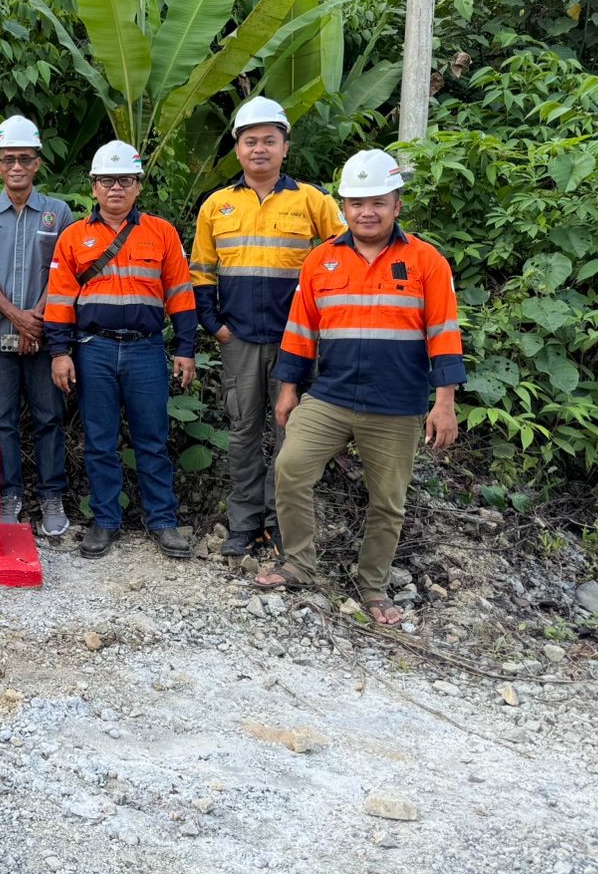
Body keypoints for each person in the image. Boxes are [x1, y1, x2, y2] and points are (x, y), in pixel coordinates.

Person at [255, 149, 465, 626]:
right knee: (290, 468)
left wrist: (445, 401)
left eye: (378, 202)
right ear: (344, 207)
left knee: (388, 500)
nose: (366, 212)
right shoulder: (321, 260)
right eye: (356, 203)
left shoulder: (425, 261)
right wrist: (288, 389)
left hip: (396, 404)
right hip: (329, 396)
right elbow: (301, 331)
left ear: (397, 205)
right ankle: (299, 564)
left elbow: (444, 332)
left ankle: (372, 586)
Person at [190, 97, 343, 560]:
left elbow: (342, 257)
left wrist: (321, 324)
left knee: (291, 435)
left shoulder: (311, 200)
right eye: (250, 141)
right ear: (237, 149)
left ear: (284, 147)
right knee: (242, 433)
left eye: (269, 141)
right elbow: (201, 272)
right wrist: (214, 326)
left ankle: (282, 526)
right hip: (238, 340)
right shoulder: (216, 205)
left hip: (295, 341)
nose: (259, 149)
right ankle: (243, 523)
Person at [44, 141, 198, 560]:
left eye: (125, 180)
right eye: (107, 180)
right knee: (99, 440)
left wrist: (186, 348)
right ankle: (106, 520)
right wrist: (59, 352)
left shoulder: (161, 232)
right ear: (94, 187)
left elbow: (182, 295)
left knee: (152, 438)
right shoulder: (74, 237)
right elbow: (59, 300)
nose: (116, 188)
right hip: (92, 350)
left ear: (137, 186)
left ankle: (163, 520)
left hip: (145, 351)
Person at [0, 116, 70, 533]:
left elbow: (62, 269)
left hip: (44, 334)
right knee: (2, 419)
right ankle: (9, 494)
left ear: (37, 164)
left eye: (25, 158)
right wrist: (16, 318)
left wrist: (35, 320)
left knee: (48, 417)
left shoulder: (57, 212)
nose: (17, 166)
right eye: (9, 159)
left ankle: (51, 497)